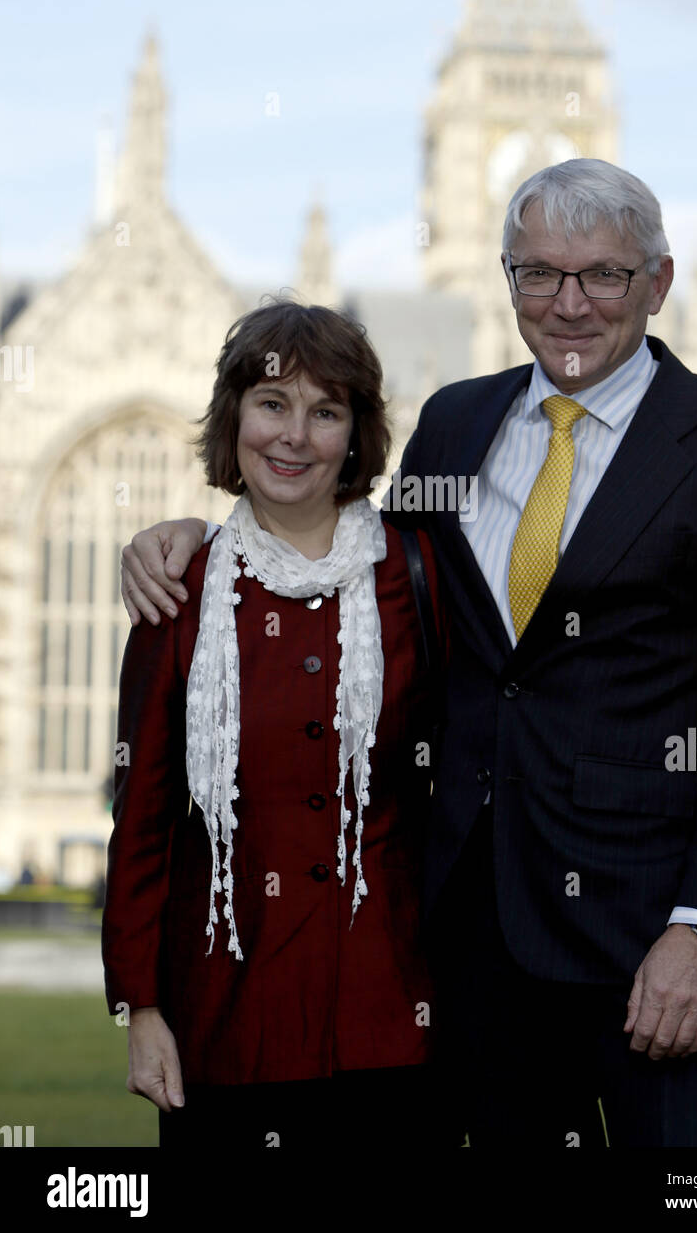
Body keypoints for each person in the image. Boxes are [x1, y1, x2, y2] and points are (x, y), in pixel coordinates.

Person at [121, 158, 697, 1149]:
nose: (567, 303)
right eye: (537, 273)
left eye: (601, 276)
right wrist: (195, 536)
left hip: (651, 947)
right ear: (508, 281)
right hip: (472, 946)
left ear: (656, 283)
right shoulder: (455, 424)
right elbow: (338, 552)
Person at [104, 299, 453, 1150]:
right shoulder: (177, 594)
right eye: (271, 404)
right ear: (234, 421)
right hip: (226, 1024)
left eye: (324, 411)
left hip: (395, 1026)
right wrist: (142, 1011)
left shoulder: (422, 573)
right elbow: (143, 821)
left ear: (356, 435)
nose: (294, 435)